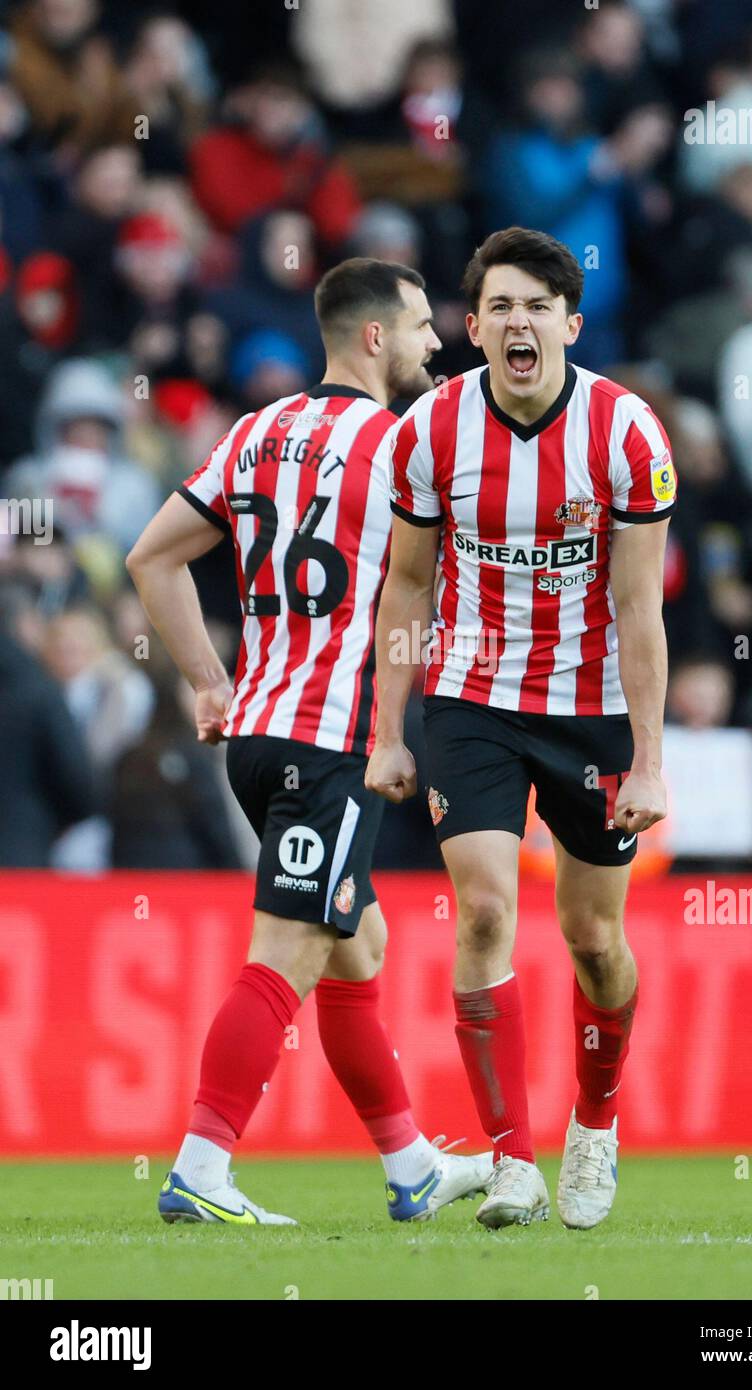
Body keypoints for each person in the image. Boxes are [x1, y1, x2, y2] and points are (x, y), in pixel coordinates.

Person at [126, 257, 492, 1225]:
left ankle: (410, 1165)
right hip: (328, 744)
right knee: (287, 952)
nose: (433, 342)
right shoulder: (405, 447)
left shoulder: (254, 432)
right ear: (374, 336)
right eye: (420, 326)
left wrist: (211, 681)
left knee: (356, 945)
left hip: (254, 734)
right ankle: (201, 1166)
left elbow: (151, 557)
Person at [366, 227, 676, 1229]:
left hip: (588, 708)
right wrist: (388, 731)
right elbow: (407, 582)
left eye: (537, 305)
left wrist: (650, 759)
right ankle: (512, 1161)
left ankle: (597, 1126)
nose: (517, 321)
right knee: (488, 913)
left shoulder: (627, 433)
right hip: (472, 698)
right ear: (472, 327)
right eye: (499, 306)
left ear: (569, 324)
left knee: (593, 938)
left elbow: (640, 610)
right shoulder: (428, 431)